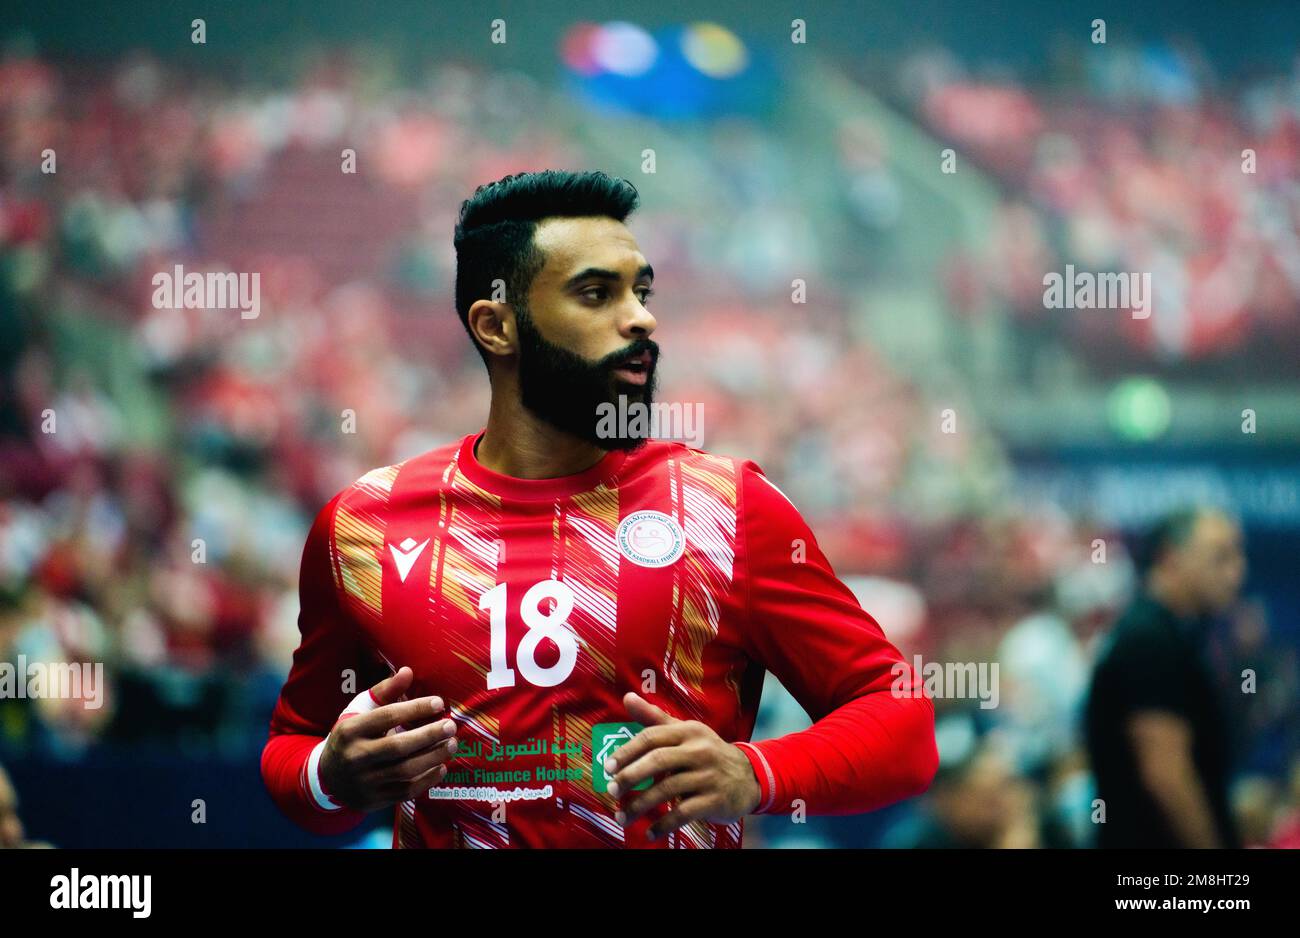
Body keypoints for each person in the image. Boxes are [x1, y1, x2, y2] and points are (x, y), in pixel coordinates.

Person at [260, 170, 937, 848]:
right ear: (496, 326)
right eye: (596, 293)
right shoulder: (363, 524)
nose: (640, 317)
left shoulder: (728, 509)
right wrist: (330, 776)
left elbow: (902, 723)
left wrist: (756, 772)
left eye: (641, 291)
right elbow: (294, 746)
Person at [1085, 507, 1246, 848]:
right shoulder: (1149, 641)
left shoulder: (1174, 636)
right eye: (1221, 556)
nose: (1237, 571)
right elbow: (1167, 776)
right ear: (1171, 558)